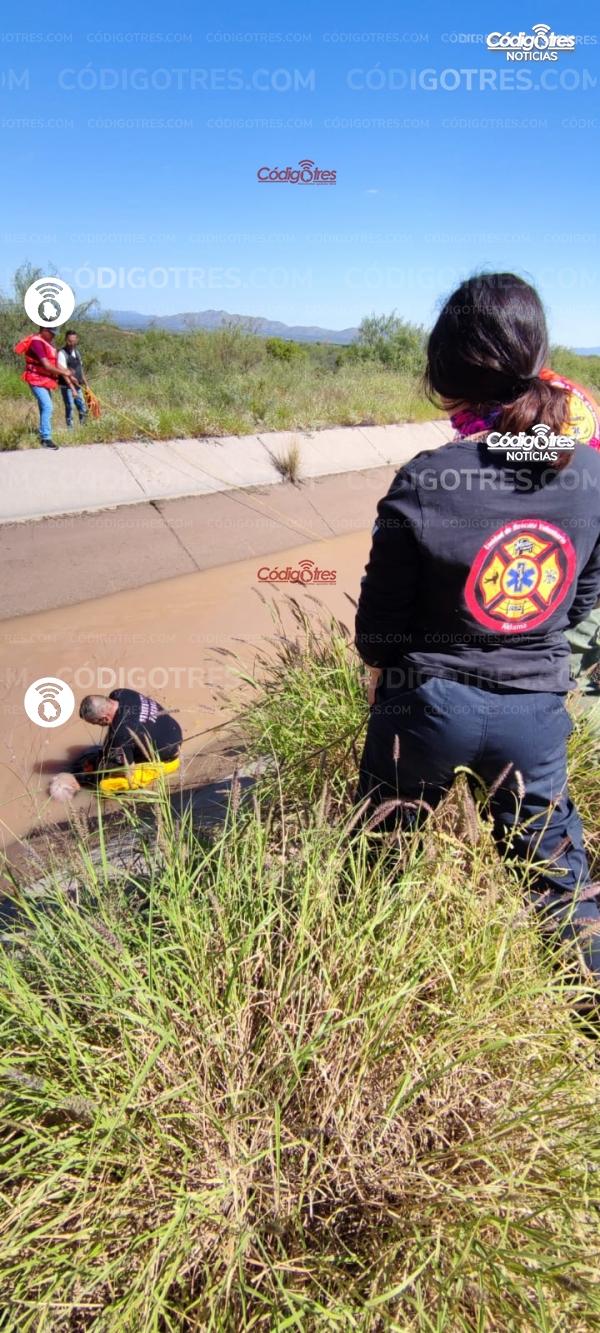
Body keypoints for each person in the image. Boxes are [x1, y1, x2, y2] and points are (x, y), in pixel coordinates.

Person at [355, 273, 600, 982]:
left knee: (379, 861)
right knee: (559, 884)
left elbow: (378, 633)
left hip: (426, 707)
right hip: (536, 714)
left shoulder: (428, 477)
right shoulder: (586, 474)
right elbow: (580, 600)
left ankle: (369, 989)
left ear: (446, 369)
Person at [49, 689, 183, 801]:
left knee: (105, 787)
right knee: (119, 747)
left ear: (104, 719)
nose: (98, 726)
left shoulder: (121, 733)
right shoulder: (120, 694)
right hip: (172, 731)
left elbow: (128, 771)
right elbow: (117, 732)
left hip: (169, 759)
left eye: (96, 723)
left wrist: (99, 772)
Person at [16, 326, 79, 449]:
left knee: (44, 407)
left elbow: (54, 364)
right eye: (52, 333)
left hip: (44, 380)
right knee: (48, 406)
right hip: (35, 379)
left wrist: (69, 374)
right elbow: (46, 365)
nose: (54, 335)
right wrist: (64, 373)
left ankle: (43, 435)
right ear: (44, 330)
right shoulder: (36, 342)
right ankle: (46, 438)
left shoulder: (46, 342)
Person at [57, 329, 88, 429]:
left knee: (82, 407)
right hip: (67, 387)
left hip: (78, 386)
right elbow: (64, 373)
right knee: (70, 407)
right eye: (70, 341)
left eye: (74, 341)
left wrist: (86, 385)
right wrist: (73, 389)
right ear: (66, 340)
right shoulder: (62, 354)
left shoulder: (77, 353)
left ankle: (84, 428)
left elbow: (80, 369)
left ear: (77, 340)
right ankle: (70, 430)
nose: (72, 343)